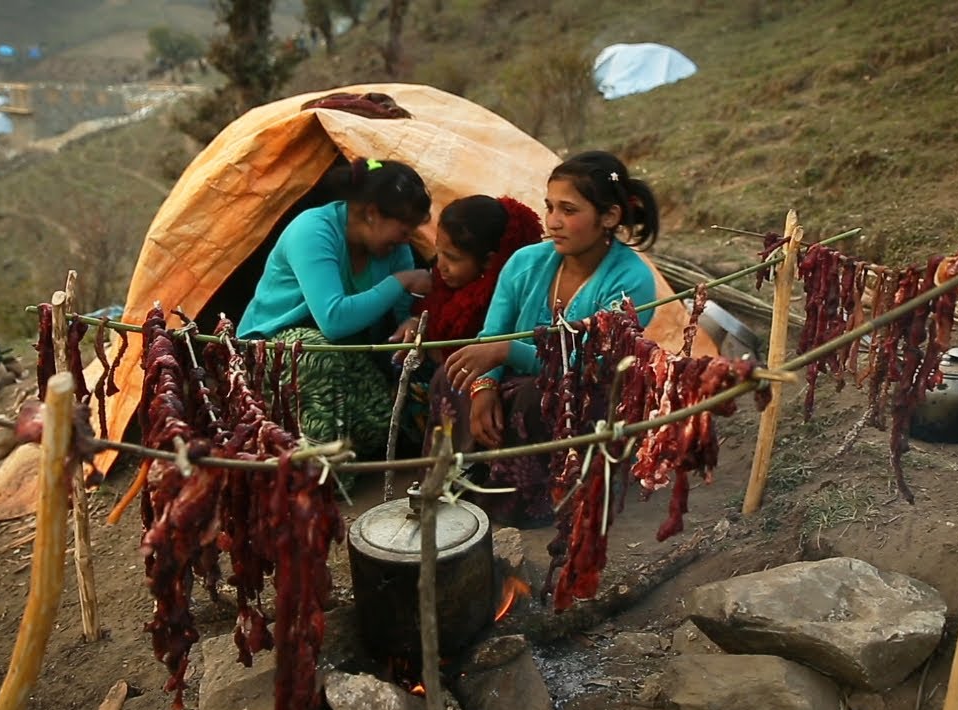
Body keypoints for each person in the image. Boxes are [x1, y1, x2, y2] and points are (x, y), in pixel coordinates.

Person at [432, 150, 661, 525]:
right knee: (452, 376)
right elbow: (493, 332)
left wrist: (505, 352)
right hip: (523, 376)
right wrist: (484, 386)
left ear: (609, 217)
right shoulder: (526, 262)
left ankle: (528, 506)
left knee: (536, 396)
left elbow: (590, 362)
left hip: (589, 390)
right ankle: (458, 487)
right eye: (550, 207)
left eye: (568, 211)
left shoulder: (630, 279)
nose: (553, 221)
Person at [236, 157, 432, 459]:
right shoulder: (313, 231)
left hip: (344, 353)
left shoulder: (395, 250)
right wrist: (400, 281)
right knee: (317, 354)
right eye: (403, 230)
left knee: (385, 422)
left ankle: (332, 454)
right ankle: (317, 478)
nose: (406, 241)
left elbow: (403, 314)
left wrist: (413, 321)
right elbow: (333, 320)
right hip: (272, 351)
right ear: (371, 214)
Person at [401, 194, 543, 437]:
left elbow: (488, 344)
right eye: (439, 253)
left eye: (452, 258)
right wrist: (416, 322)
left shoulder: (493, 296)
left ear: (489, 261)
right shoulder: (444, 288)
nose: (440, 266)